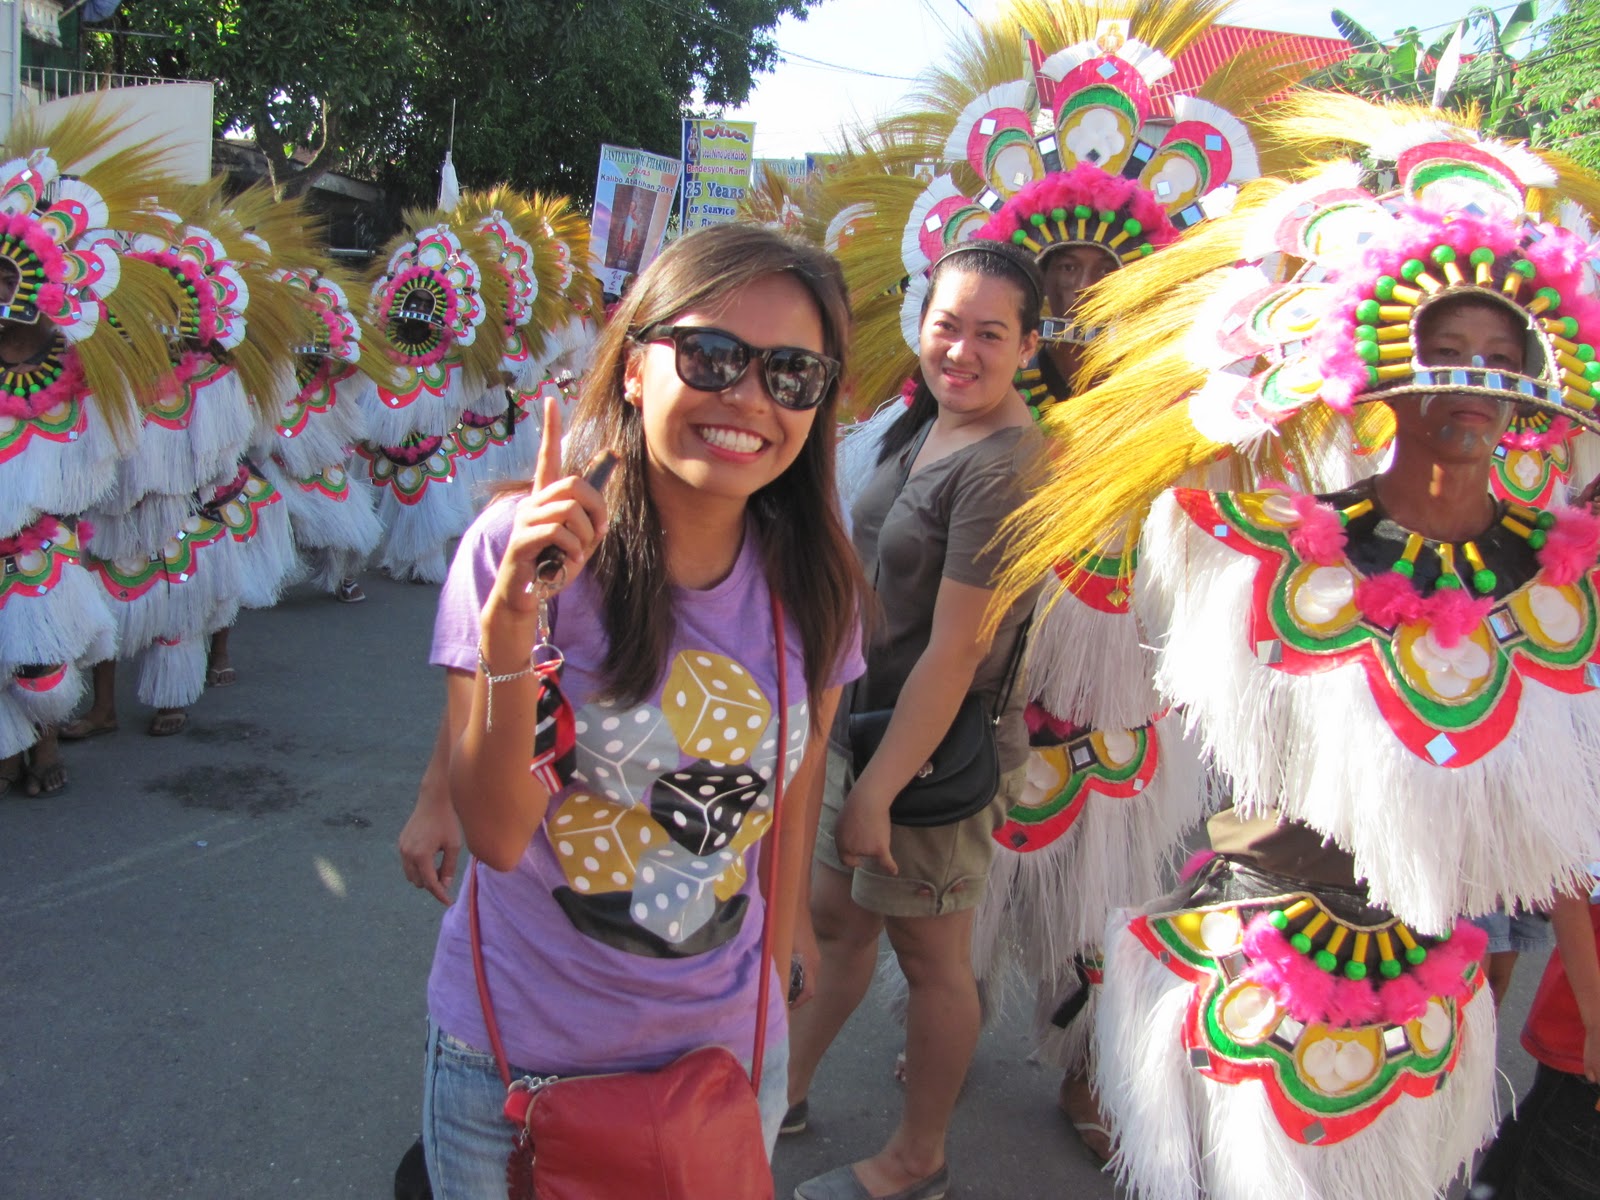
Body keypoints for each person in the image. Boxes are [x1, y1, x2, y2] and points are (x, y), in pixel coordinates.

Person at [989, 94, 1600, 1200]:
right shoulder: (1276, 551)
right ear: (1381, 359)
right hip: (1266, 929)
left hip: (1422, 973)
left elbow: (1544, 833)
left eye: (1496, 355)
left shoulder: (1561, 587)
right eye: (1442, 348)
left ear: (1538, 379)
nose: (1469, 379)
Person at [416, 221, 864, 1196]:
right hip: (523, 1061)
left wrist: (790, 930)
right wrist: (512, 632)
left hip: (725, 1053)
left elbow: (795, 780)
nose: (748, 397)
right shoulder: (519, 555)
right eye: (711, 356)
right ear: (632, 369)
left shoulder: (818, 585)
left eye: (791, 373)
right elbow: (494, 834)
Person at [786, 241, 1045, 1200]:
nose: (963, 351)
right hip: (862, 722)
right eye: (948, 325)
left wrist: (879, 791)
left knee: (932, 956)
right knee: (836, 924)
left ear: (1027, 344)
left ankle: (916, 1161)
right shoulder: (924, 421)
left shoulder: (1006, 467)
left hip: (931, 751)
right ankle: (782, 1091)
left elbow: (957, 650)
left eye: (990, 333)